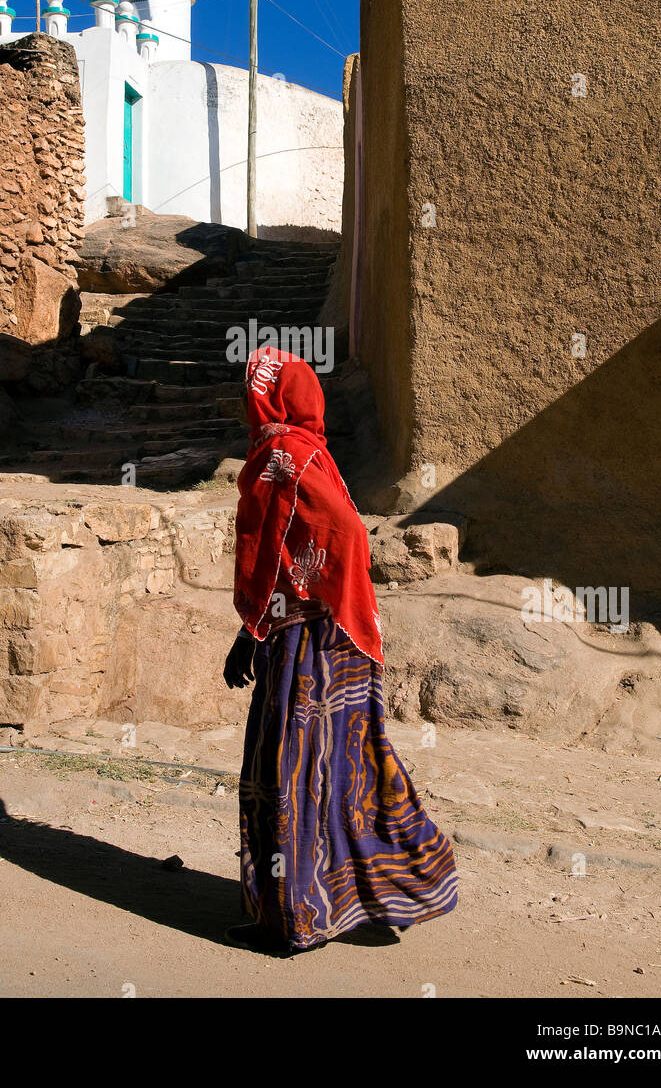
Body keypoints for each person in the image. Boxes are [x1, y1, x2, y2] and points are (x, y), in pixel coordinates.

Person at [223, 345, 458, 954]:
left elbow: (338, 536)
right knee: (336, 772)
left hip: (308, 644)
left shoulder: (282, 454)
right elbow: (289, 545)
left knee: (287, 776)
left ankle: (295, 919)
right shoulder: (311, 452)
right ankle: (333, 903)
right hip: (329, 638)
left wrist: (293, 603)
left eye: (249, 389)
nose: (243, 400)